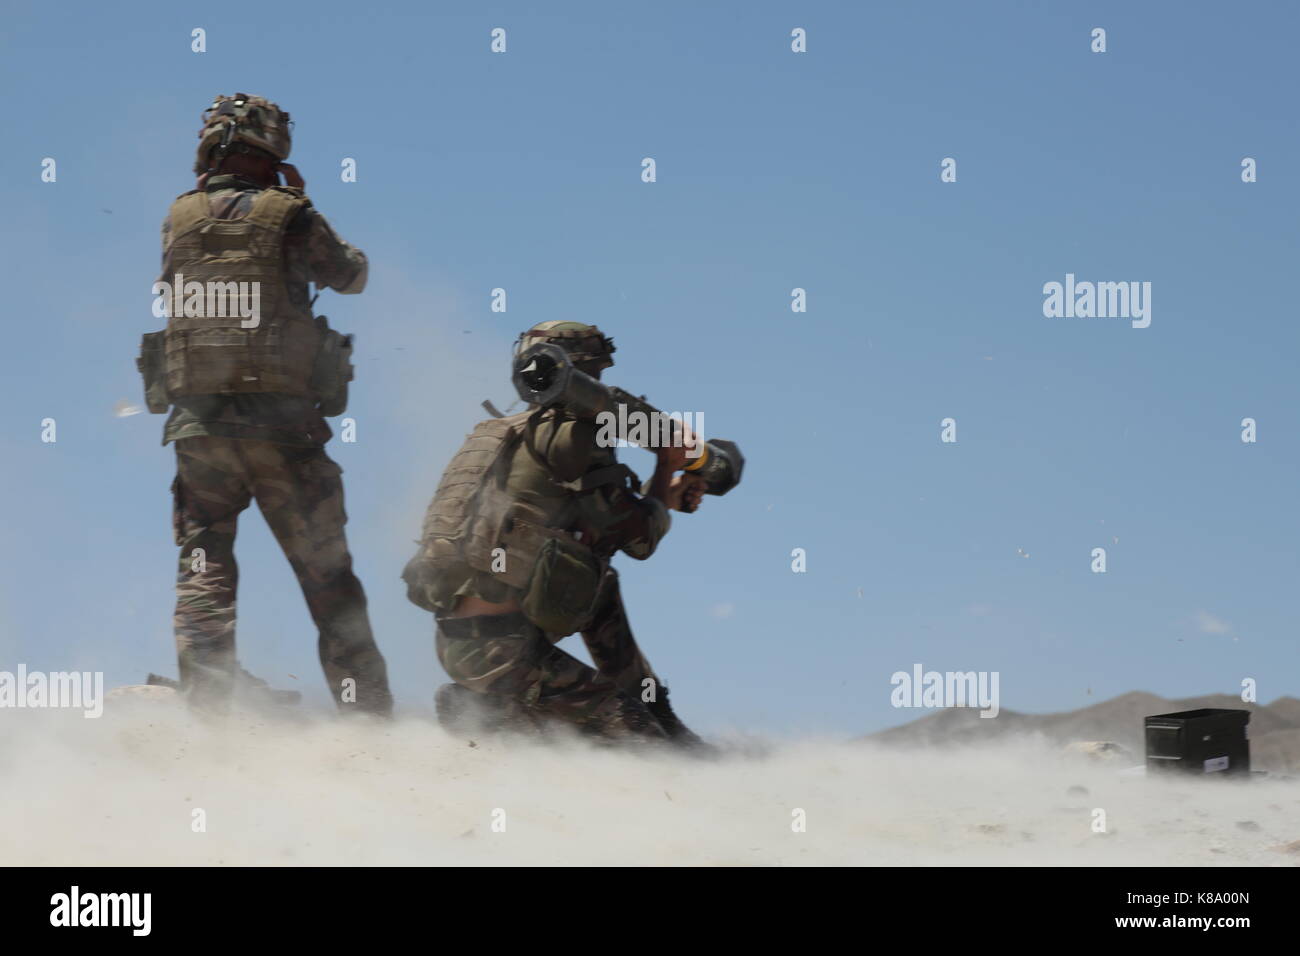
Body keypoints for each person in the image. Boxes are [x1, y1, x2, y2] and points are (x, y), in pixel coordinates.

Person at [152, 94, 392, 716]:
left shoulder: (177, 217)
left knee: (204, 572)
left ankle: (209, 713)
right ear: (273, 150)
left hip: (200, 428)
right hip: (282, 428)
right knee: (328, 579)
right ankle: (367, 721)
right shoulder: (290, 214)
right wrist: (303, 203)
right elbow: (351, 274)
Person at [405, 321, 708, 749]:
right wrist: (665, 466)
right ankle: (502, 713)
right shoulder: (574, 435)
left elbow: (583, 524)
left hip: (462, 644)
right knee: (641, 741)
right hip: (508, 654)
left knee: (600, 579)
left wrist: (664, 496)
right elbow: (640, 540)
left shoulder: (499, 433)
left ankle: (488, 705)